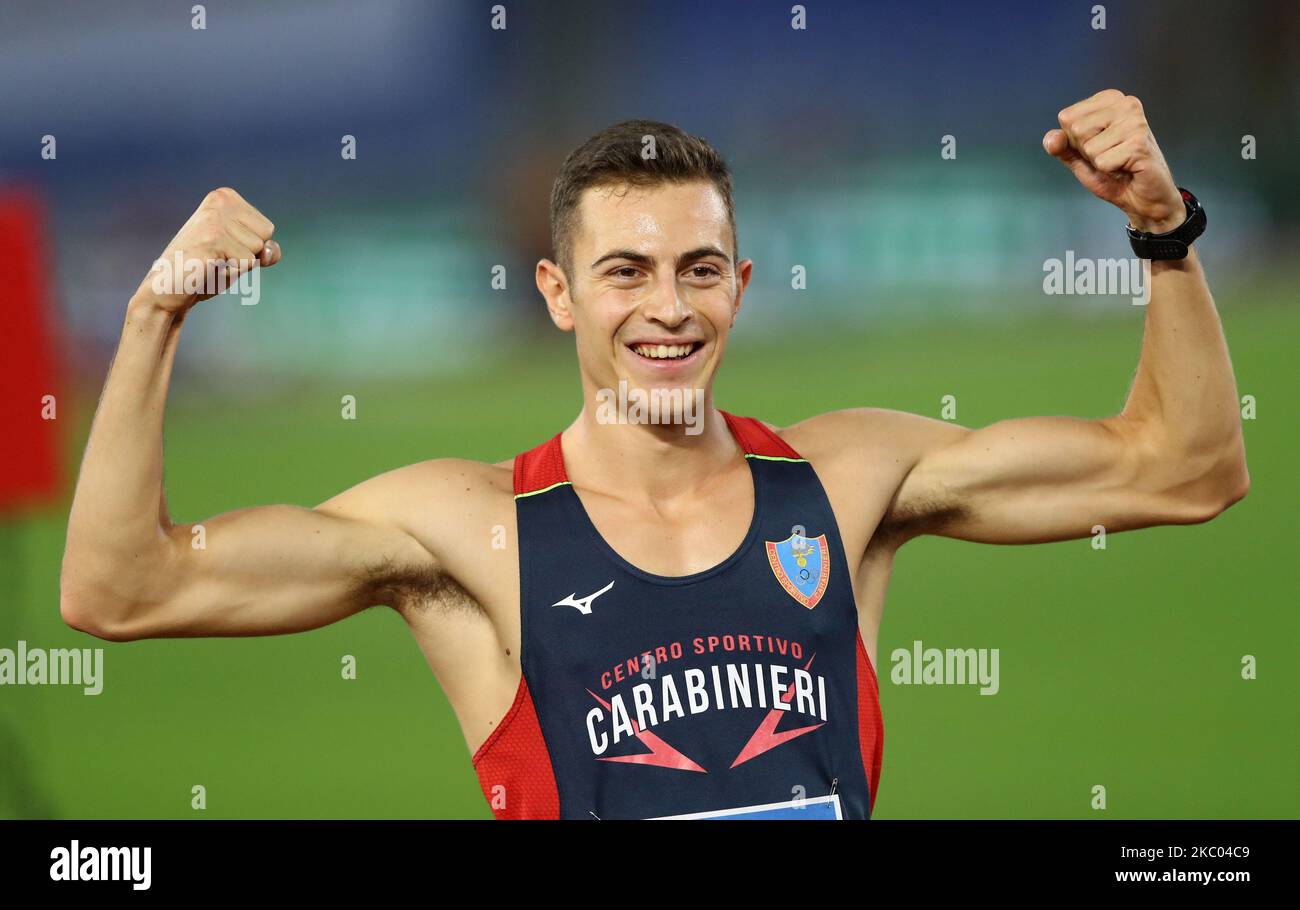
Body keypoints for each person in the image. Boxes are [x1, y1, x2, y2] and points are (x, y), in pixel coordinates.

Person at [60, 90, 1248, 820]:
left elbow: (1182, 469)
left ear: (738, 287)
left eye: (695, 270)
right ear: (558, 295)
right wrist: (155, 314)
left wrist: (1161, 226)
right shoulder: (466, 529)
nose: (665, 308)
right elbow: (121, 587)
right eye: (624, 271)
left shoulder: (844, 485)